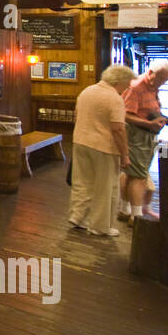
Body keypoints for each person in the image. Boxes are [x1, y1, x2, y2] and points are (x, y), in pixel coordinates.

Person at [68, 64, 135, 237]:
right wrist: (125, 155)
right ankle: (99, 226)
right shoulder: (114, 98)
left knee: (82, 182)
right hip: (104, 147)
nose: (127, 87)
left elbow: (77, 116)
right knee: (106, 187)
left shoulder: (87, 91)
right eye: (127, 83)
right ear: (118, 81)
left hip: (80, 141)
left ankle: (78, 218)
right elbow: (118, 129)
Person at [120, 63, 168, 222]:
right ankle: (136, 216)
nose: (162, 83)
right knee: (139, 177)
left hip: (146, 135)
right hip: (137, 135)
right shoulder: (137, 87)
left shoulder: (152, 87)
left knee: (130, 173)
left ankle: (125, 210)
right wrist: (149, 124)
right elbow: (124, 115)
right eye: (161, 79)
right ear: (151, 72)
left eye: (165, 81)